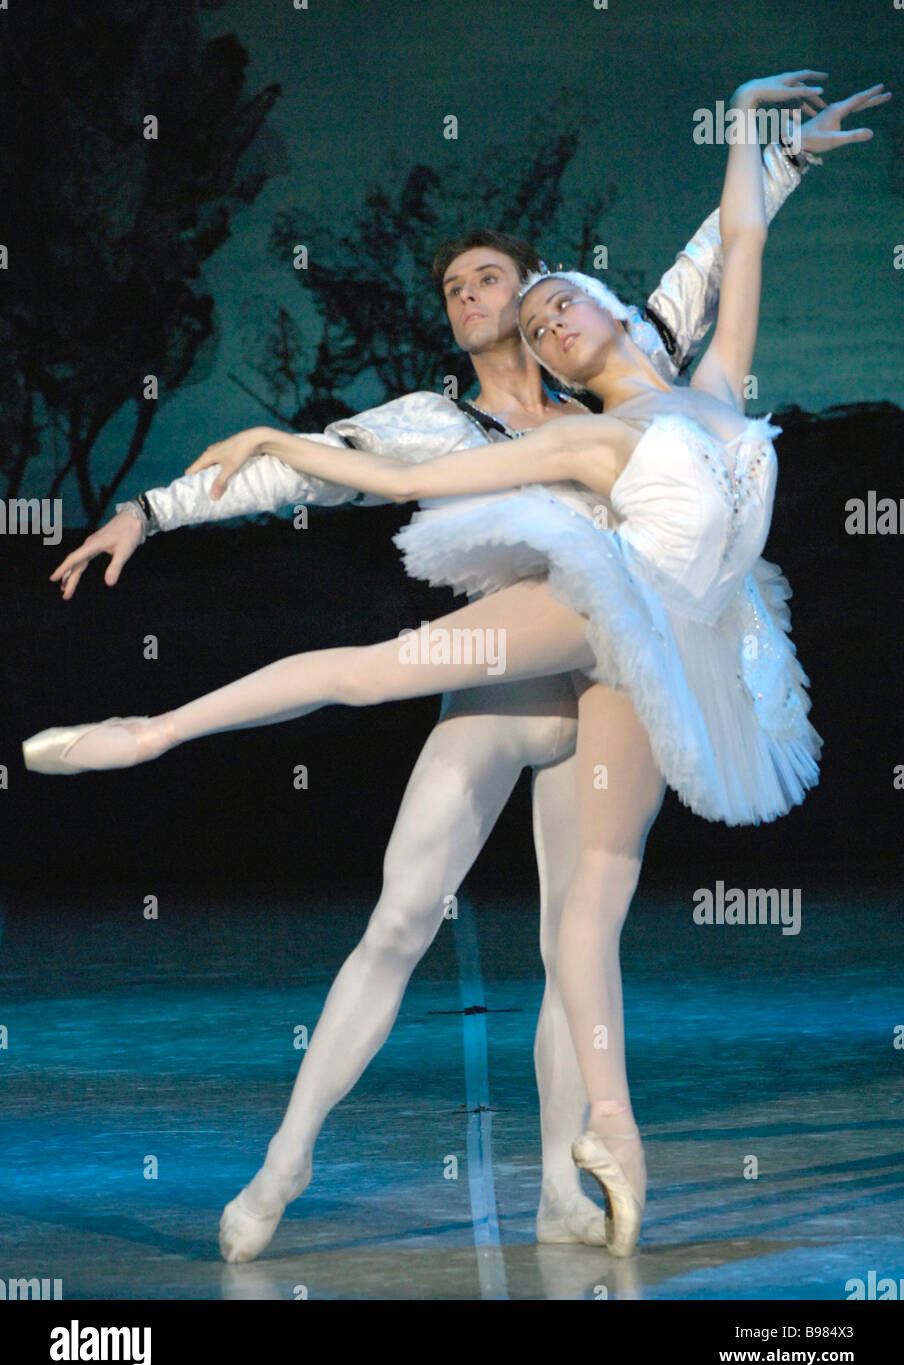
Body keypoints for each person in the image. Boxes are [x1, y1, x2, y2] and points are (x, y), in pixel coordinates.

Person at [24, 75, 886, 1262]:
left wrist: (775, 153)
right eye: (459, 289)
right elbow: (319, 469)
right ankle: (285, 1164)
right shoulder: (442, 421)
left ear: (561, 294)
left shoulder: (621, 360)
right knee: (399, 912)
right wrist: (152, 510)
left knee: (575, 935)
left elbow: (719, 258)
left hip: (633, 662)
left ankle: (559, 1187)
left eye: (503, 281)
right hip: (512, 665)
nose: (484, 297)